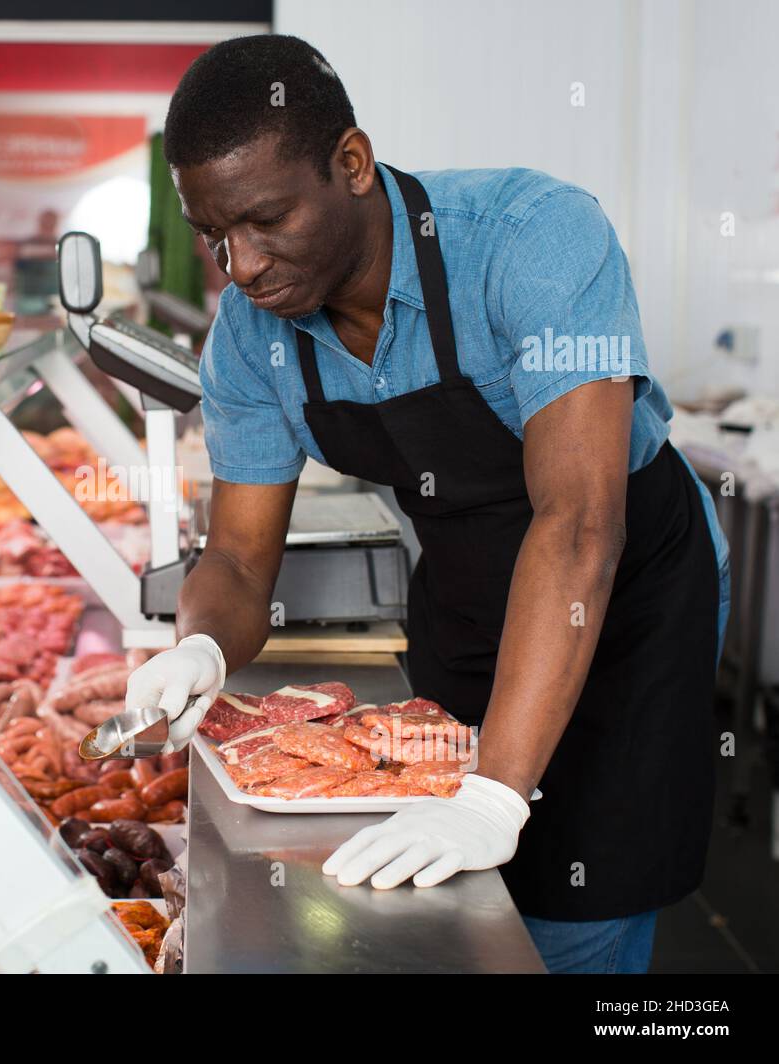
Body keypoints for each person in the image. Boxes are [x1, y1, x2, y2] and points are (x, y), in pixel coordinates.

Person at [125, 34, 730, 974]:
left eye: (266, 219)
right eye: (214, 236)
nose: (238, 265)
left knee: (580, 901)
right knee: (448, 918)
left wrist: (496, 794)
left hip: (620, 596)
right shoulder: (250, 338)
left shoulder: (530, 238)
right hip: (465, 592)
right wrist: (200, 643)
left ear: (352, 164)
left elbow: (578, 525)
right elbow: (241, 561)